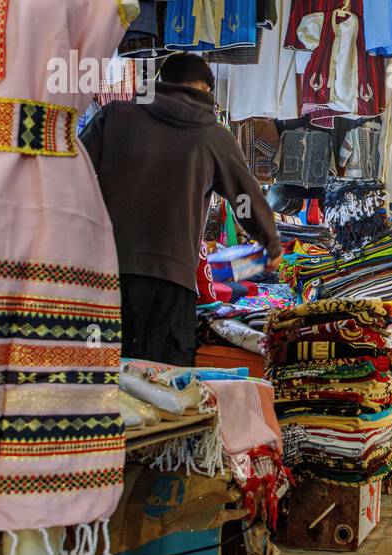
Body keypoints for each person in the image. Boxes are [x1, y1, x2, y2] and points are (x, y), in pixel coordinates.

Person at [81, 52, 282, 365]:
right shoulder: (214, 137)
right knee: (165, 380)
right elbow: (244, 200)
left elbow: (73, 170)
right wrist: (269, 242)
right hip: (171, 278)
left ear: (161, 81)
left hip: (105, 270)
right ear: (206, 88)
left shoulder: (115, 115)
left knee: (99, 369)